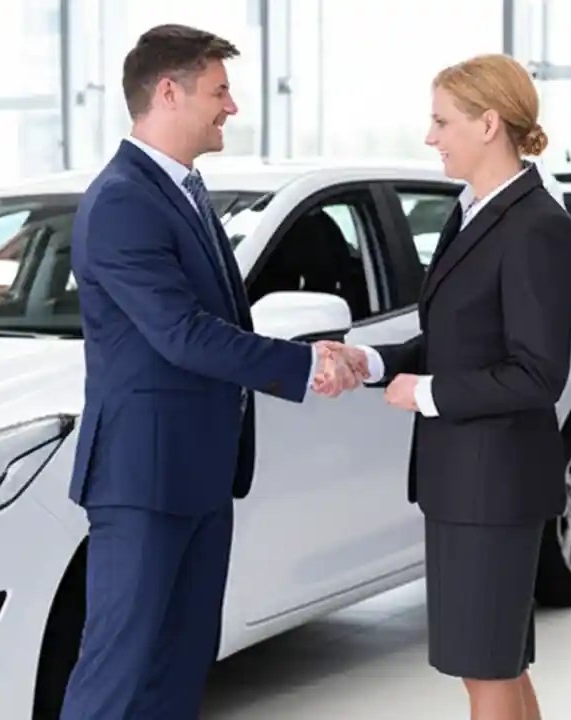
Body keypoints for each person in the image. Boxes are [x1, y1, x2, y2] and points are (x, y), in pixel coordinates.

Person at [59, 23, 364, 720]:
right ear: (168, 92)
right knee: (119, 672)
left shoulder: (184, 188)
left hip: (196, 472)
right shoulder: (122, 201)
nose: (231, 107)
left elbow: (221, 319)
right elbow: (182, 334)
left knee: (179, 666)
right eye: (219, 91)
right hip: (144, 478)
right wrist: (304, 363)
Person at [331, 53, 571, 720]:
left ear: (489, 123)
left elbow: (538, 373)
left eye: (442, 120)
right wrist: (373, 363)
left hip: (492, 484)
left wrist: (429, 394)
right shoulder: (472, 212)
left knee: (485, 671)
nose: (430, 136)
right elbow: (453, 339)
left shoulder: (535, 226)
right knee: (497, 665)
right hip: (468, 482)